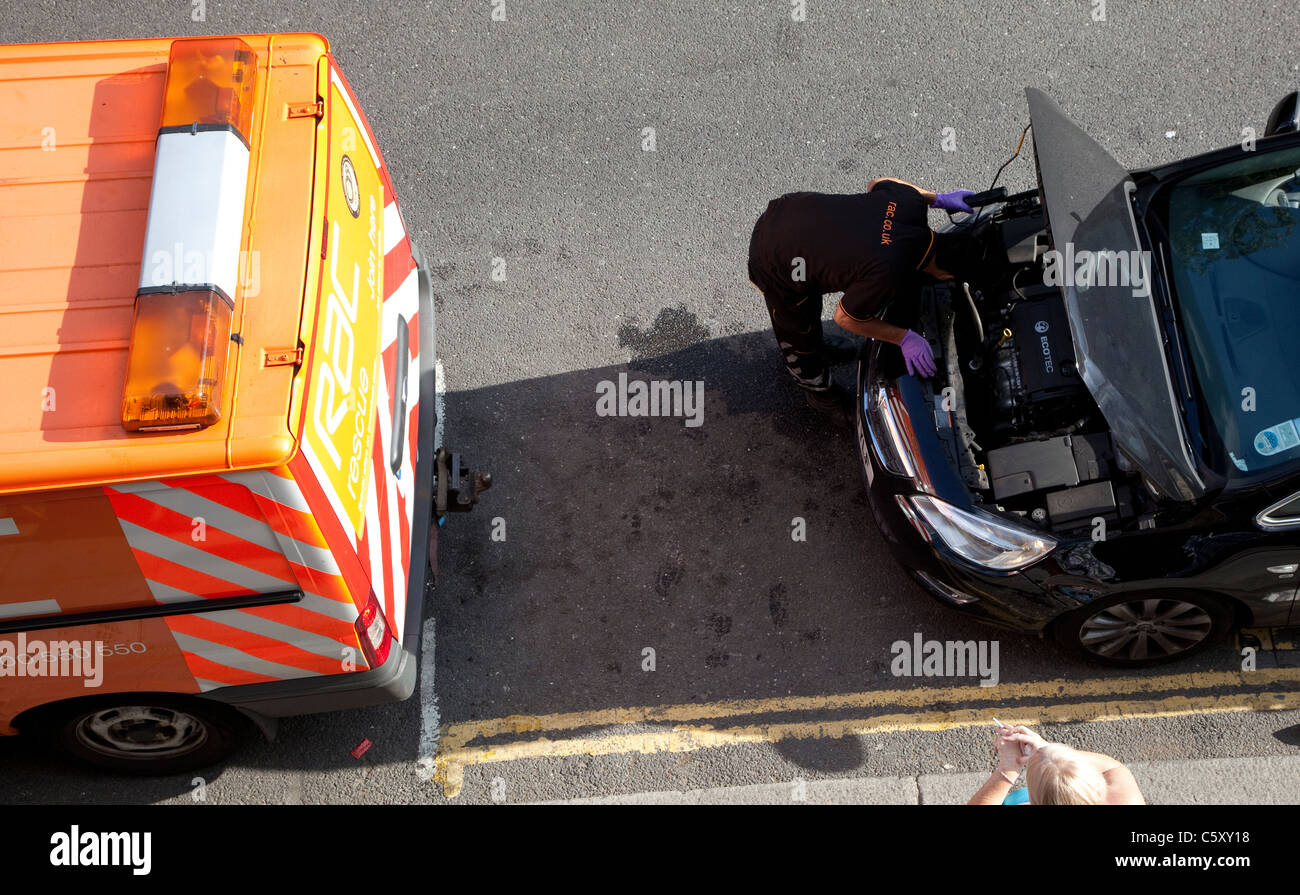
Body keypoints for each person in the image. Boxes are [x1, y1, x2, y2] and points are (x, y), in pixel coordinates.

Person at [746, 178, 981, 424]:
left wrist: (939, 198)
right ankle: (819, 393)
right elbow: (845, 317)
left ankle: (819, 345)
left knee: (810, 296)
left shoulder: (911, 202)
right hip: (773, 254)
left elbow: (877, 183)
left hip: (793, 209)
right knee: (797, 333)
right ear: (946, 276)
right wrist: (904, 338)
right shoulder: (890, 273)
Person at [968, 724, 1146, 805]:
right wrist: (1046, 750)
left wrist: (1008, 769)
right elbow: (1113, 768)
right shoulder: (1127, 799)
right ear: (1097, 784)